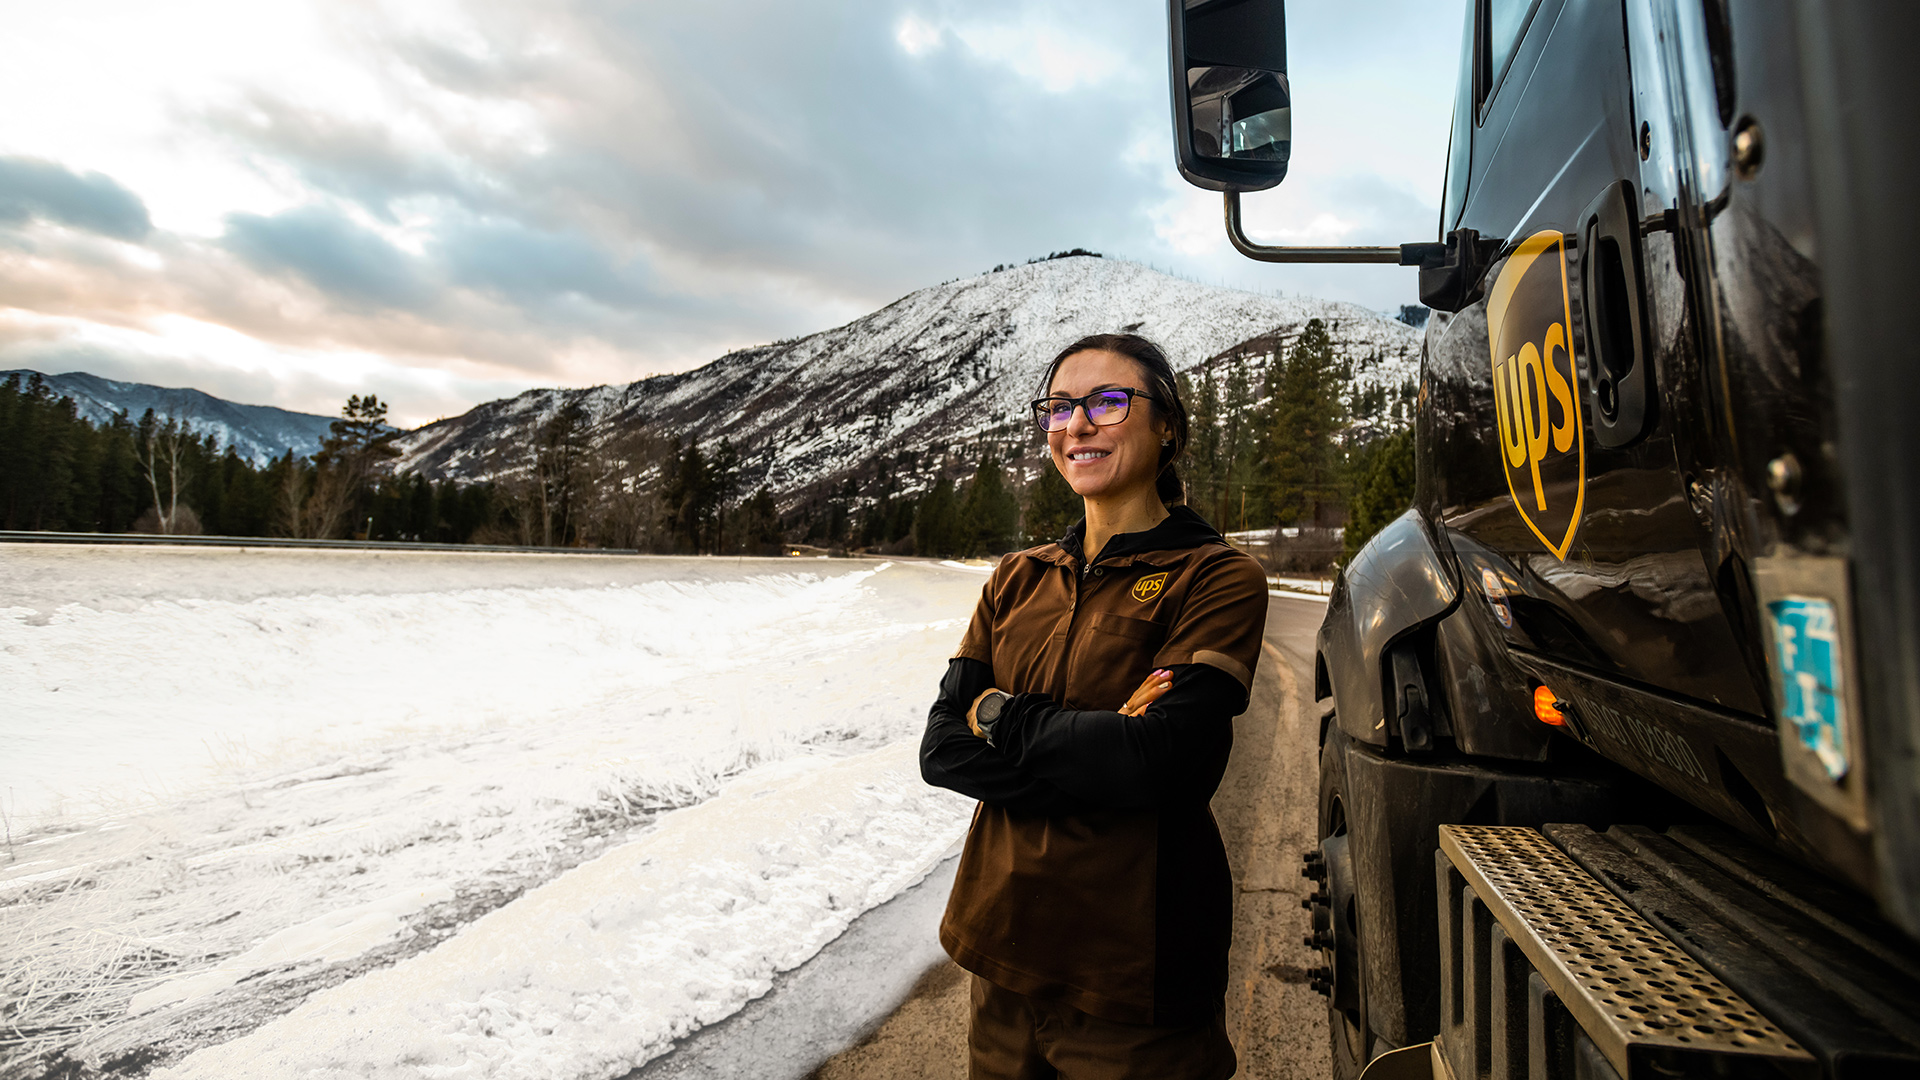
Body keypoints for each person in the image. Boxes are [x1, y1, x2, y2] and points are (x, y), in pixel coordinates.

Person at [921, 333, 1270, 1079]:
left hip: (1132, 976)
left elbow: (1158, 764)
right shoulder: (1018, 577)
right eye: (1058, 405)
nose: (1076, 423)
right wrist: (1100, 745)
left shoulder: (1217, 577)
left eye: (1108, 402)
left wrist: (998, 716)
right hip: (1001, 954)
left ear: (1167, 426)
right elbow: (940, 749)